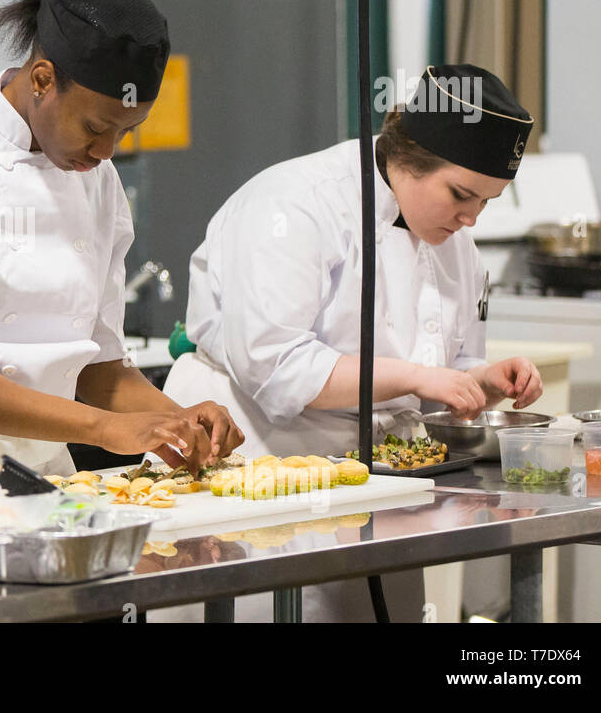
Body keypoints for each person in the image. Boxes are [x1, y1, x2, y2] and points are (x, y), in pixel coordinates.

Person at [158, 63, 542, 621]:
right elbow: (279, 369)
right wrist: (417, 377)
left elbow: (450, 362)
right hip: (259, 462)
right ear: (407, 157)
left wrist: (476, 381)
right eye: (462, 194)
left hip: (382, 487)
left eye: (487, 201)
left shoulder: (455, 242)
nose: (471, 219)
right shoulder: (295, 204)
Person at [0, 0, 244, 497]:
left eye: (125, 132)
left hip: (50, 481)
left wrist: (179, 421)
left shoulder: (98, 183)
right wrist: (105, 429)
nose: (107, 151)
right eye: (94, 127)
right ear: (42, 80)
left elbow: (97, 367)